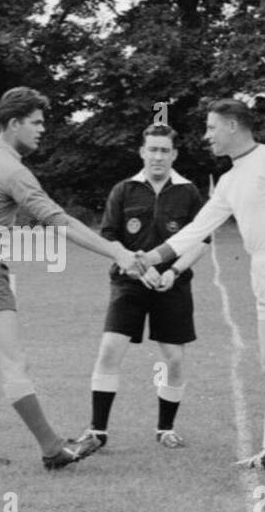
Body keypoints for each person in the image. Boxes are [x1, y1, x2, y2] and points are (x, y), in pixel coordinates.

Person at [135, 100, 265, 481]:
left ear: (231, 125)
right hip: (261, 270)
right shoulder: (229, 180)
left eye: (211, 128)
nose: (206, 136)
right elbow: (197, 229)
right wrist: (152, 257)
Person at [0, 86, 141, 470]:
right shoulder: (11, 169)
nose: (42, 130)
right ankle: (53, 449)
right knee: (15, 361)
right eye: (35, 123)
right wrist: (118, 251)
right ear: (14, 123)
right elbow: (60, 222)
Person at [78, 123, 210, 451]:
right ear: (142, 152)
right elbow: (109, 237)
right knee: (109, 349)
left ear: (174, 154)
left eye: (165, 150)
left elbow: (202, 240)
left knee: (174, 359)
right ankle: (97, 432)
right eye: (152, 149)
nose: (158, 156)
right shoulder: (123, 190)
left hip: (172, 285)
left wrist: (174, 271)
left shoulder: (189, 192)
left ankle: (165, 429)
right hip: (129, 283)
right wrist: (136, 270)